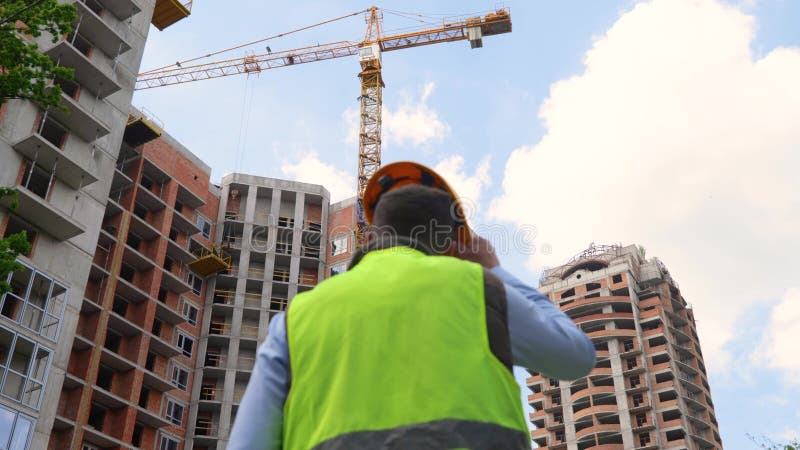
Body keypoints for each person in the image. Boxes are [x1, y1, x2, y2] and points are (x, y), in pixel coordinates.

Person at [228, 162, 596, 450]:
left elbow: (248, 443)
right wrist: (495, 270)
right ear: (451, 243)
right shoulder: (479, 289)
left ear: (371, 235)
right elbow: (575, 357)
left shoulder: (298, 316)